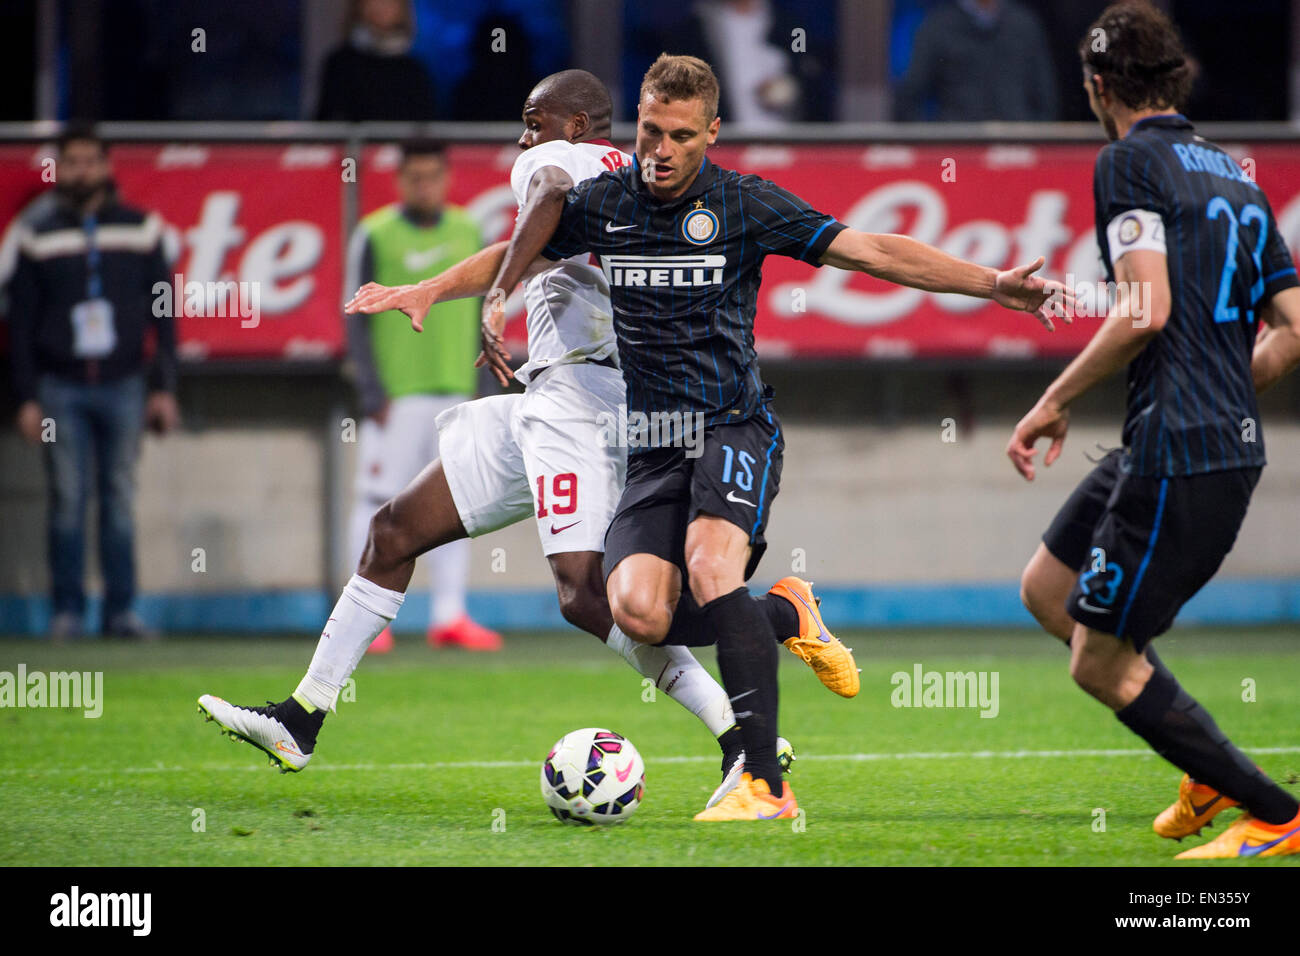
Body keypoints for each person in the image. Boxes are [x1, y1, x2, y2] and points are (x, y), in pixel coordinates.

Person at [483, 53, 1066, 821]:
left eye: (680, 137)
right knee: (634, 611)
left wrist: (993, 285)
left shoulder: (744, 205)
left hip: (734, 428)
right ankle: (789, 614)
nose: (660, 151)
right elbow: (547, 206)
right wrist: (493, 294)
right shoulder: (608, 200)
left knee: (710, 565)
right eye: (651, 132)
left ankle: (765, 784)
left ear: (712, 133)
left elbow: (874, 250)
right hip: (655, 443)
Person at [197, 71, 794, 809]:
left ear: (576, 126)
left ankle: (746, 717)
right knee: (394, 531)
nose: (521, 137)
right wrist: (432, 290)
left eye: (532, 120)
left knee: (585, 593)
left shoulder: (564, 166)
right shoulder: (617, 180)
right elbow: (529, 245)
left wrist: (497, 296)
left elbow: (539, 199)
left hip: (581, 400)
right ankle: (302, 717)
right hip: (552, 396)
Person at [1010, 2, 1300, 859]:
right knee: (1047, 589)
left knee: (1098, 660)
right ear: (1175, 75)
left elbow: (1144, 309)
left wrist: (1053, 399)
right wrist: (1222, 385)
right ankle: (1204, 767)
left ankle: (1275, 812)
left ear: (1098, 85)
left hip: (1180, 450)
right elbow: (1291, 328)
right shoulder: (1237, 174)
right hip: (1195, 440)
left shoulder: (1128, 161)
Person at [7, 123, 179, 641]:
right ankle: (67, 612)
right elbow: (19, 322)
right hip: (61, 385)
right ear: (58, 169)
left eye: (89, 160)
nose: (81, 171)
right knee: (67, 498)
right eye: (71, 161)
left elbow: (164, 312)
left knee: (119, 496)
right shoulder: (36, 234)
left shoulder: (141, 228)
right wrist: (26, 396)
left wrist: (163, 386)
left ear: (107, 166)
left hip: (125, 382)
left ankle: (121, 611)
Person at [344, 139, 500, 653]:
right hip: (397, 397)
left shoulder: (468, 229)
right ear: (400, 180)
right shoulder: (375, 234)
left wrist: (482, 387)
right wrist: (371, 390)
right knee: (377, 500)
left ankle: (449, 615)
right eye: (415, 175)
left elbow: (487, 306)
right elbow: (354, 319)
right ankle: (367, 622)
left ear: (447, 178)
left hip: (457, 392)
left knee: (456, 504)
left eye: (433, 174)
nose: (424, 184)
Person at [894, 0, 1058, 122]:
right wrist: (933, 143)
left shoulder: (1023, 25)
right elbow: (909, 95)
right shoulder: (938, 26)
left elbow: (1045, 96)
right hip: (961, 145)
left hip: (1018, 145)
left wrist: (1034, 139)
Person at [315, 0, 436, 122]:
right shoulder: (340, 63)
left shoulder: (414, 70)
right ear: (358, 7)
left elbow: (425, 126)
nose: (379, 6)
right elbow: (328, 119)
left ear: (402, 9)